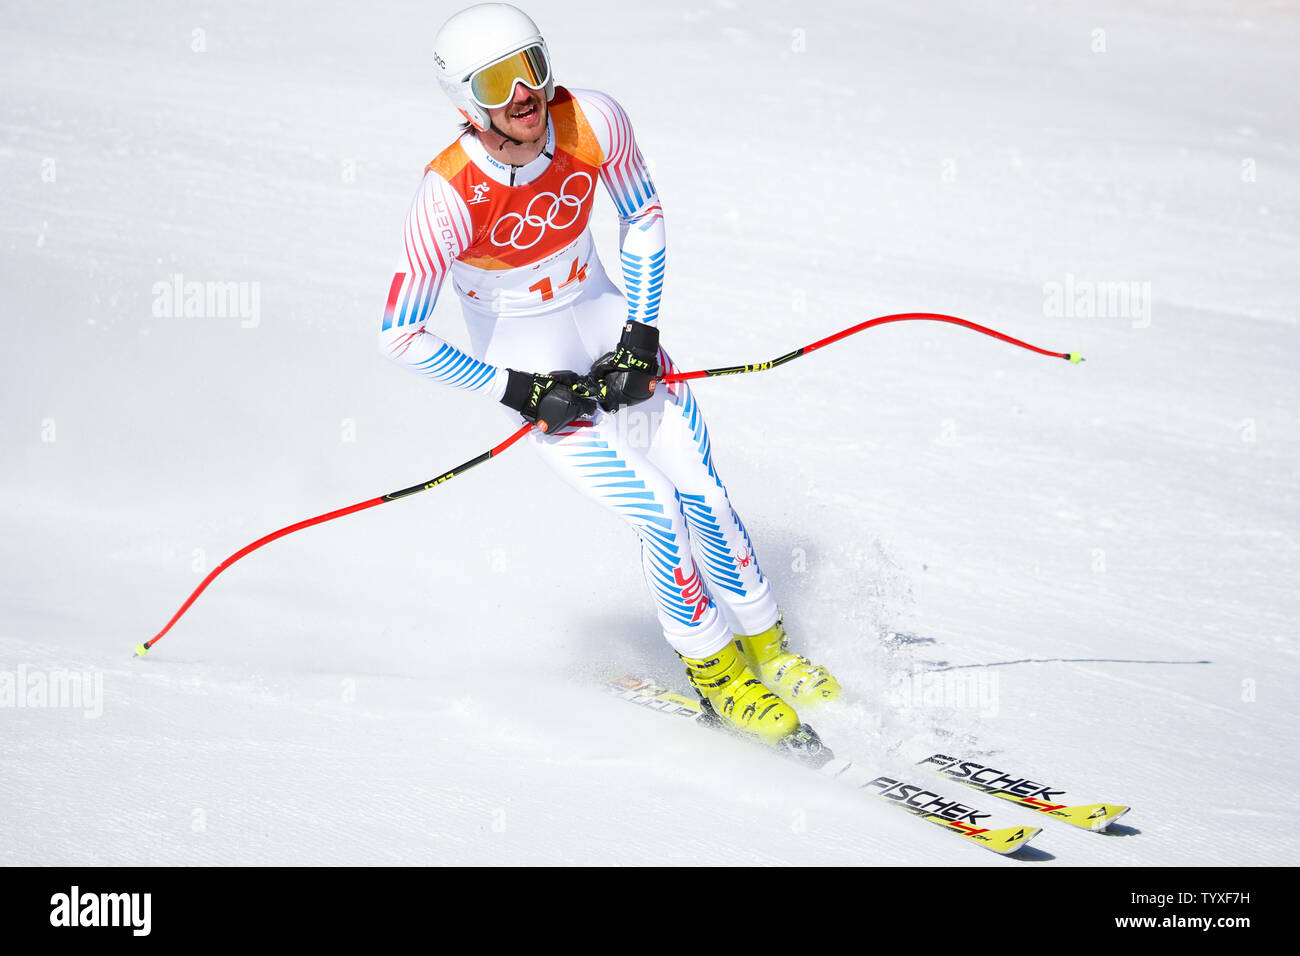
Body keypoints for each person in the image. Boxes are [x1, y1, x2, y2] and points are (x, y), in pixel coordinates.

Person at [378, 2, 840, 747]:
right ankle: (718, 675)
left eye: (532, 64)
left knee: (706, 493)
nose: (523, 92)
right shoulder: (448, 193)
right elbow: (399, 336)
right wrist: (523, 392)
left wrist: (640, 333)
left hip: (608, 326)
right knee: (659, 510)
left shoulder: (593, 119)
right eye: (497, 82)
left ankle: (769, 649)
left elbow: (644, 214)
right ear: (466, 102)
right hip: (535, 372)